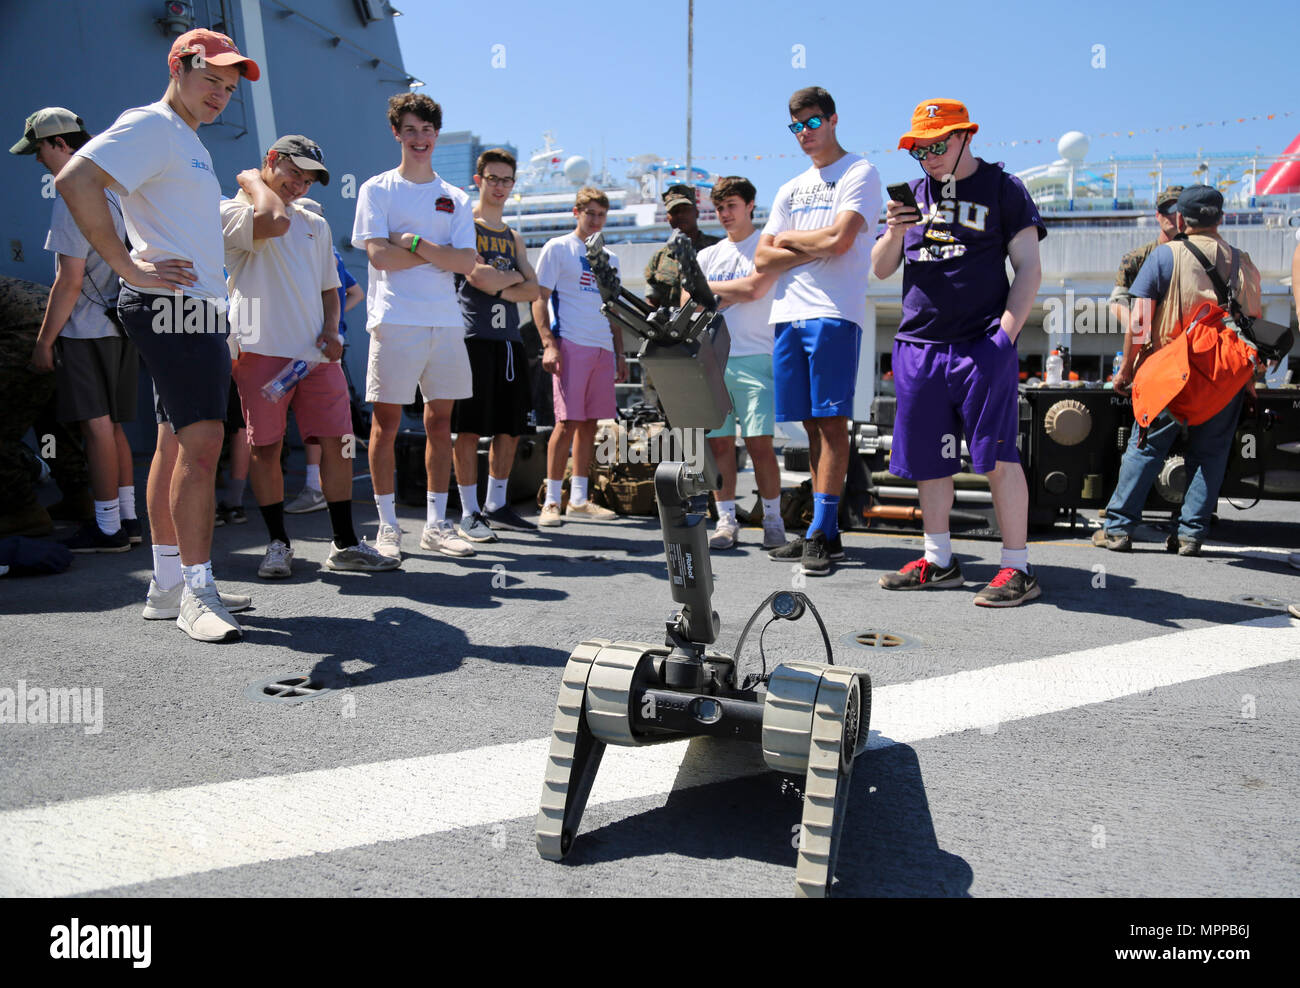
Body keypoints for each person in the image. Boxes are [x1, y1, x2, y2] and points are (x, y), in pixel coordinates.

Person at [56, 29, 260, 641]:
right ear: (178, 67)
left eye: (229, 88)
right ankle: (198, 593)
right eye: (211, 81)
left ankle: (169, 584)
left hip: (197, 308)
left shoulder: (186, 139)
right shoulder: (151, 124)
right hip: (170, 306)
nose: (220, 95)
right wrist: (127, 266)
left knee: (176, 442)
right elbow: (74, 180)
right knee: (203, 445)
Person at [872, 98, 1046, 606]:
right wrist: (895, 229)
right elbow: (881, 268)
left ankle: (1017, 568)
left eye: (938, 145)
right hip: (919, 345)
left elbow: (1029, 269)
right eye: (920, 150)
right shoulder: (914, 197)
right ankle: (938, 559)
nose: (929, 157)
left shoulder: (1002, 188)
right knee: (931, 459)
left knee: (997, 456)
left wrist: (1005, 337)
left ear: (967, 136)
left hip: (980, 343)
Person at [222, 135, 398, 578]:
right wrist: (249, 181)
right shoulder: (233, 211)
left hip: (317, 357)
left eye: (308, 180)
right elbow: (273, 221)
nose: (300, 186)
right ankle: (278, 544)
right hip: (259, 349)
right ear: (270, 161)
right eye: (292, 174)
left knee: (339, 443)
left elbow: (330, 288)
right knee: (266, 448)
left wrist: (331, 328)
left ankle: (344, 543)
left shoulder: (315, 225)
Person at [1093, 185, 1262, 557]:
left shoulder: (1164, 257)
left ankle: (1119, 528)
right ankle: (1190, 535)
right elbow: (1253, 327)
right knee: (1211, 454)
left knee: (1145, 448)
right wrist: (1248, 381)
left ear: (1181, 219)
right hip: (1223, 375)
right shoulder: (1243, 261)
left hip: (1171, 369)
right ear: (1221, 218)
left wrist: (1126, 370)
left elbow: (1139, 322)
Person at [754, 86, 882, 576]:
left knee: (831, 423)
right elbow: (764, 257)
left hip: (833, 310)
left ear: (832, 120)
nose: (804, 134)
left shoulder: (859, 172)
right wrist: (816, 243)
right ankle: (824, 530)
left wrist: (790, 238)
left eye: (811, 123)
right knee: (808, 425)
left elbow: (843, 237)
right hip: (788, 314)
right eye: (796, 127)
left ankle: (820, 532)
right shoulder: (789, 187)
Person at [351, 93, 478, 561]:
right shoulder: (377, 190)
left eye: (426, 130)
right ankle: (387, 527)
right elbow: (378, 255)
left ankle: (436, 525)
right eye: (410, 130)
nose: (419, 138)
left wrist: (414, 242)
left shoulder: (456, 196)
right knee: (385, 425)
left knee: (440, 424)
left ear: (436, 134)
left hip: (444, 323)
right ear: (396, 133)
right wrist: (435, 255)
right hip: (395, 320)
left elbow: (466, 261)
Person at [12, 108, 139, 552]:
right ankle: (127, 518)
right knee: (116, 429)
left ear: (60, 144)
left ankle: (106, 529)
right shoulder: (114, 189)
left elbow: (69, 280)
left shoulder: (73, 195)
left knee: (97, 429)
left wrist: (44, 342)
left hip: (86, 330)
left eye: (39, 149)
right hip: (122, 326)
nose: (37, 159)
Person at [690, 176, 786, 551]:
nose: (724, 214)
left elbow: (755, 289)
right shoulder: (706, 254)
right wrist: (727, 294)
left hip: (756, 356)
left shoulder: (767, 244)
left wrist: (712, 293)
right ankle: (726, 521)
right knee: (720, 447)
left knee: (761, 444)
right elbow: (689, 298)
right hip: (713, 360)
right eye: (719, 208)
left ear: (750, 205)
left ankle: (774, 520)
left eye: (731, 205)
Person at [450, 148, 541, 540]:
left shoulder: (513, 235)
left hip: (509, 342)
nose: (500, 186)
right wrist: (510, 282)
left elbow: (534, 289)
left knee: (511, 429)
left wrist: (500, 286)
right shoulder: (466, 226)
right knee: (468, 429)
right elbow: (477, 278)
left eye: (507, 180)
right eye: (494, 179)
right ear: (479, 180)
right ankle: (469, 510)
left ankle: (496, 504)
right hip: (473, 339)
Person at [531, 187, 627, 527]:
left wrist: (620, 354)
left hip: (602, 346)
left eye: (602, 215)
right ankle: (553, 501)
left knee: (589, 425)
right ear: (577, 212)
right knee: (566, 422)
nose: (596, 220)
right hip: (570, 342)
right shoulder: (558, 248)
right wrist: (549, 343)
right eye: (591, 214)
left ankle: (580, 499)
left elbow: (613, 310)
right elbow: (539, 298)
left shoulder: (610, 259)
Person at [286, 200, 364, 516]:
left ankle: (314, 487)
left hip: (310, 349)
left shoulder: (313, 253)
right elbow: (355, 293)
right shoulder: (332, 254)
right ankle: (318, 487)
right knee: (329, 424)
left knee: (308, 422)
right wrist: (337, 323)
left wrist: (327, 323)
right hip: (327, 349)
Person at [645, 183, 721, 310]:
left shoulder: (717, 248)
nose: (680, 215)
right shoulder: (658, 259)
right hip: (673, 327)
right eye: (674, 211)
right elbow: (652, 302)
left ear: (696, 213)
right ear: (667, 217)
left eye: (685, 209)